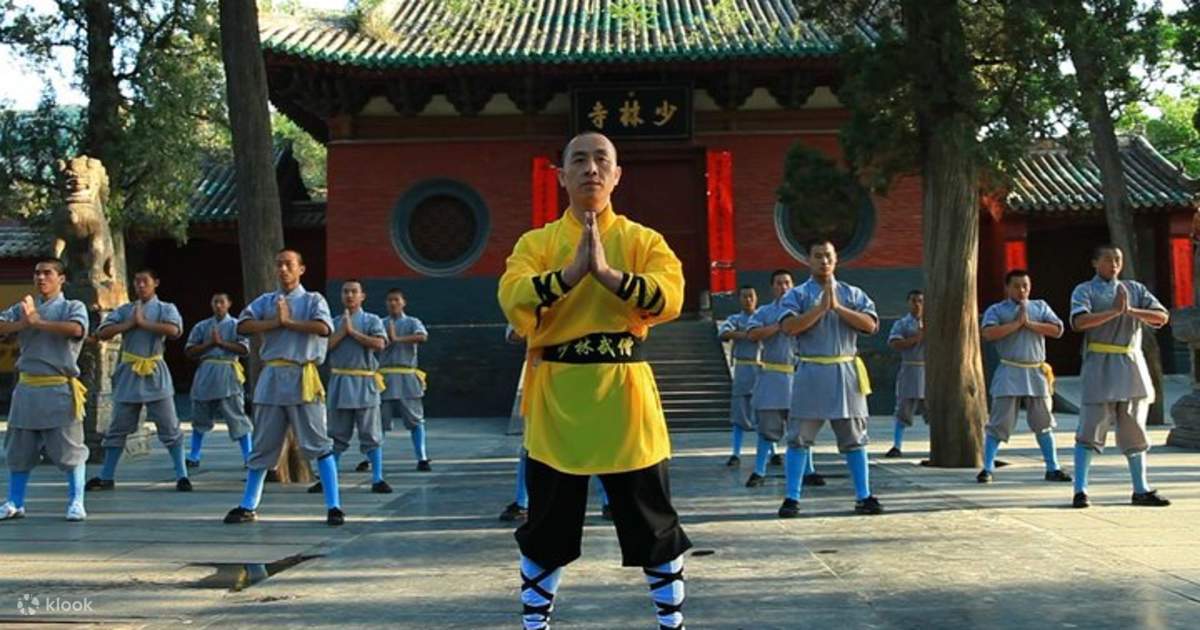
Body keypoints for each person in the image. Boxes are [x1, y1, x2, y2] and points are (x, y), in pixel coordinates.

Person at [498, 131, 690, 630]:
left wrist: (607, 275)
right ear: (560, 175)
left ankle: (672, 624)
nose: (591, 168)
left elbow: (670, 297)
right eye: (578, 160)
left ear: (617, 174)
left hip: (626, 396)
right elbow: (513, 294)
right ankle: (535, 624)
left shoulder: (644, 241)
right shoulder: (535, 243)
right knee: (547, 526)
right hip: (558, 395)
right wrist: (568, 275)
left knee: (653, 520)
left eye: (601, 159)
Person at [223, 249, 345, 526]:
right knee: (264, 443)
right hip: (272, 377)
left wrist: (289, 322)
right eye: (279, 264)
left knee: (317, 442)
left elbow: (323, 328)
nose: (283, 269)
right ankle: (248, 504)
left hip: (303, 377)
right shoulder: (267, 300)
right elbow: (242, 326)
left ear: (301, 269)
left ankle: (334, 505)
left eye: (289, 264)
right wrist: (274, 322)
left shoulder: (314, 300)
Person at [777, 240, 883, 518]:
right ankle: (792, 497)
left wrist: (837, 307)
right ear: (808, 260)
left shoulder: (852, 293)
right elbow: (788, 327)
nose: (823, 261)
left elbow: (871, 325)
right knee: (799, 437)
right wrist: (819, 309)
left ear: (836, 260)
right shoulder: (796, 295)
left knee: (855, 436)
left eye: (828, 256)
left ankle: (864, 495)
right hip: (810, 371)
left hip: (845, 372)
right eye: (818, 256)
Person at [1069, 245, 1170, 508]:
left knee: (1134, 427)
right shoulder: (1084, 290)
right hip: (1099, 364)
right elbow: (1079, 322)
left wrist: (1130, 311)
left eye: (1118, 259)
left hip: (1131, 364)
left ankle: (1141, 489)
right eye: (1108, 259)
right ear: (1094, 262)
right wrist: (1113, 312)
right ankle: (1080, 490)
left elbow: (1161, 317)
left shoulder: (1134, 289)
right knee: (1090, 426)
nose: (1114, 264)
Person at [0, 258, 90, 521]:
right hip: (27, 388)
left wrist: (38, 323)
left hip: (58, 388)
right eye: (37, 273)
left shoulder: (73, 306)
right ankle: (15, 501)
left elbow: (76, 329)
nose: (41, 278)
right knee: (19, 450)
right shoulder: (23, 309)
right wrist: (24, 324)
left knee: (70, 449)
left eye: (47, 273)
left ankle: (76, 501)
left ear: (61, 278)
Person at [87, 268, 190, 492]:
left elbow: (174, 331)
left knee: (169, 425)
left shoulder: (166, 308)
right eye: (137, 281)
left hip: (154, 370)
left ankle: (182, 474)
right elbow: (103, 332)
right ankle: (107, 476)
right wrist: (129, 324)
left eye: (145, 281)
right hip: (129, 373)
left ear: (156, 283)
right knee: (118, 427)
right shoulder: (125, 310)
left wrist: (143, 323)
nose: (140, 285)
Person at [977, 270, 1072, 484]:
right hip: (1009, 372)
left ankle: (1052, 467)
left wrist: (1029, 324)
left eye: (1025, 286)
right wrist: (1016, 324)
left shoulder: (1040, 307)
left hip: (1036, 372)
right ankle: (987, 466)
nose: (1022, 290)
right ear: (1007, 288)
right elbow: (988, 333)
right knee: (999, 422)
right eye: (1017, 286)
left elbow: (1057, 329)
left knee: (1043, 421)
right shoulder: (997, 310)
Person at [312, 280, 390, 495]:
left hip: (364, 382)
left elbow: (380, 344)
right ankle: (328, 477)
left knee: (370, 433)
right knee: (336, 433)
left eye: (354, 292)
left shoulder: (372, 320)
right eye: (345, 291)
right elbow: (322, 349)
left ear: (362, 296)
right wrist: (343, 331)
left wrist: (353, 333)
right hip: (339, 382)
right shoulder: (333, 322)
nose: (349, 295)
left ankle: (377, 478)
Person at [744, 269, 819, 488]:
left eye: (787, 283)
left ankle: (809, 470)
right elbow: (752, 335)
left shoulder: (803, 311)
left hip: (798, 375)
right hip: (772, 377)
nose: (783, 287)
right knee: (767, 428)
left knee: (803, 428)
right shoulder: (765, 312)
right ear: (772, 287)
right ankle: (759, 470)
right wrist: (779, 326)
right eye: (778, 283)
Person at [184, 292, 253, 468]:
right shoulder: (202, 326)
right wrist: (209, 345)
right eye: (215, 302)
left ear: (229, 304)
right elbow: (190, 351)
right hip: (206, 373)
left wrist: (221, 343)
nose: (218, 305)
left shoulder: (237, 325)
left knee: (236, 415)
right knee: (200, 416)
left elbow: (244, 349)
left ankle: (248, 455)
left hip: (228, 373)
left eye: (222, 302)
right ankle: (194, 454)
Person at [371, 288, 431, 472]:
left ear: (403, 302)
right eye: (389, 300)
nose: (393, 303)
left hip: (407, 376)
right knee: (378, 421)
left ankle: (422, 456)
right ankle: (373, 458)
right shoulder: (379, 323)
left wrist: (397, 339)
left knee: (415, 419)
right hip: (385, 377)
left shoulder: (412, 322)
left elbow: (422, 336)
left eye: (396, 300)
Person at [718, 285, 761, 467]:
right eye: (744, 297)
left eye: (751, 296)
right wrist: (747, 335)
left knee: (764, 414)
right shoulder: (734, 319)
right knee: (739, 414)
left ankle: (771, 452)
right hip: (743, 369)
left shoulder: (763, 316)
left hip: (762, 369)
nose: (748, 300)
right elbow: (724, 333)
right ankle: (736, 452)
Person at [885, 290, 925, 458]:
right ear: (908, 303)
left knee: (935, 411)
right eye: (914, 300)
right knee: (903, 409)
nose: (917, 304)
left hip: (929, 371)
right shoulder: (902, 324)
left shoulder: (933, 322)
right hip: (910, 368)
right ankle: (897, 444)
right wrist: (916, 339)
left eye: (921, 301)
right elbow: (894, 342)